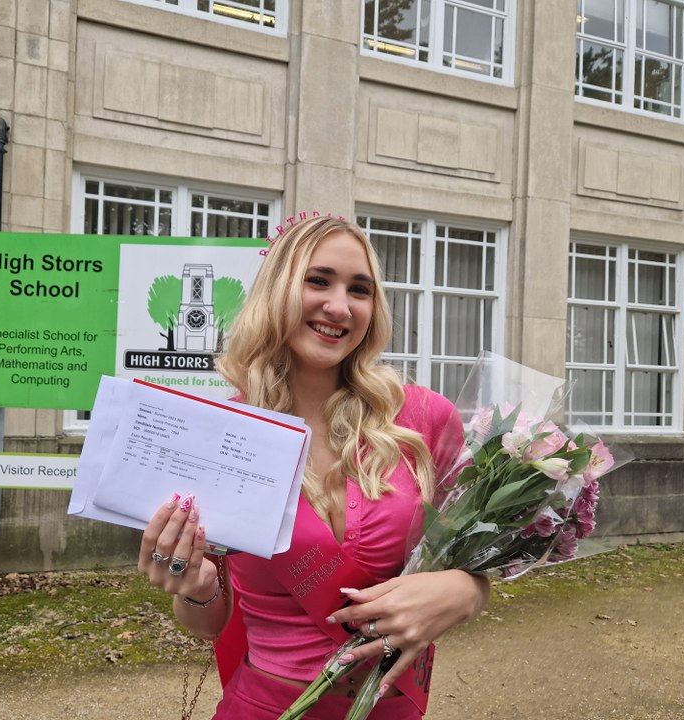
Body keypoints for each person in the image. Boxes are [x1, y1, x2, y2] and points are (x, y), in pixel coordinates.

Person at [138, 214, 490, 719]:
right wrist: (193, 588)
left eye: (360, 289)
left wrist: (469, 590)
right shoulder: (218, 434)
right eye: (318, 280)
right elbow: (210, 624)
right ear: (277, 290)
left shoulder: (423, 420)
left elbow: (475, 555)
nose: (339, 306)